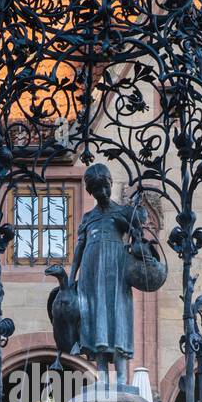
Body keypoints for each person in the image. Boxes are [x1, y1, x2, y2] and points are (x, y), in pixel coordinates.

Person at [68, 163, 143, 388]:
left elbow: (140, 234)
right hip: (91, 273)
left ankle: (121, 377)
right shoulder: (88, 217)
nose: (103, 192)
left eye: (106, 187)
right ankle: (102, 376)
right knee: (94, 319)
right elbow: (79, 249)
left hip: (115, 271)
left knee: (117, 316)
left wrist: (134, 222)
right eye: (98, 189)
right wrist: (71, 279)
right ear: (90, 191)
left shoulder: (122, 212)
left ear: (111, 184)